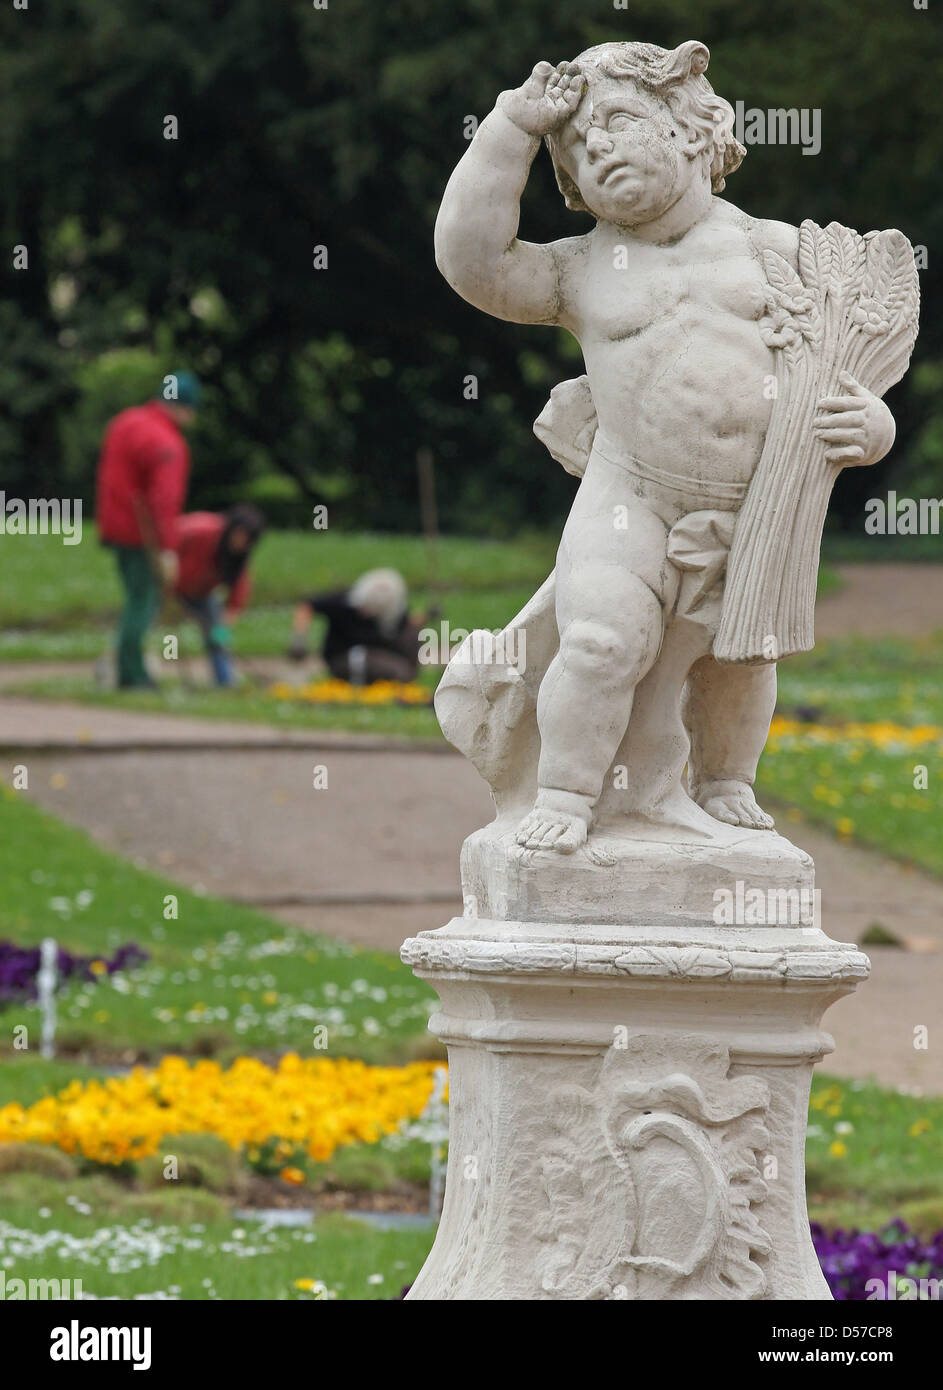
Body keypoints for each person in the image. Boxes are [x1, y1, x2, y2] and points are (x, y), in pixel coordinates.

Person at [434, 42, 896, 853]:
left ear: (692, 126)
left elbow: (851, 374)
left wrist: (872, 431)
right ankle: (569, 792)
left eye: (617, 121)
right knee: (600, 640)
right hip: (630, 494)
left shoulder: (779, 253)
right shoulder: (583, 269)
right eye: (575, 145)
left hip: (757, 508)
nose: (597, 146)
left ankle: (724, 783)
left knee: (741, 658)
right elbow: (474, 263)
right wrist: (512, 128)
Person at [95, 372, 200, 687]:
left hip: (114, 525)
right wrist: (169, 548)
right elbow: (164, 500)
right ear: (184, 408)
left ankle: (122, 665)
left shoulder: (124, 422)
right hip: (142, 533)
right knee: (144, 601)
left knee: (134, 598)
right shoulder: (167, 442)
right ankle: (131, 674)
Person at [173, 505, 266, 686]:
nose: (240, 542)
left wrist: (222, 630)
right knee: (142, 622)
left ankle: (225, 681)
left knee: (218, 636)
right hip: (165, 587)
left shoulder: (238, 558)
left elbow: (237, 597)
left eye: (247, 539)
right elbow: (167, 539)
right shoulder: (202, 529)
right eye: (239, 534)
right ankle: (120, 664)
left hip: (200, 595)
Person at [288, 568, 421, 684]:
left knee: (412, 636)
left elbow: (406, 624)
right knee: (398, 672)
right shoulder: (344, 602)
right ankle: (401, 679)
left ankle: (409, 678)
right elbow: (306, 607)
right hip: (346, 656)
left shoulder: (391, 612)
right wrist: (299, 638)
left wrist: (427, 617)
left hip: (381, 652)